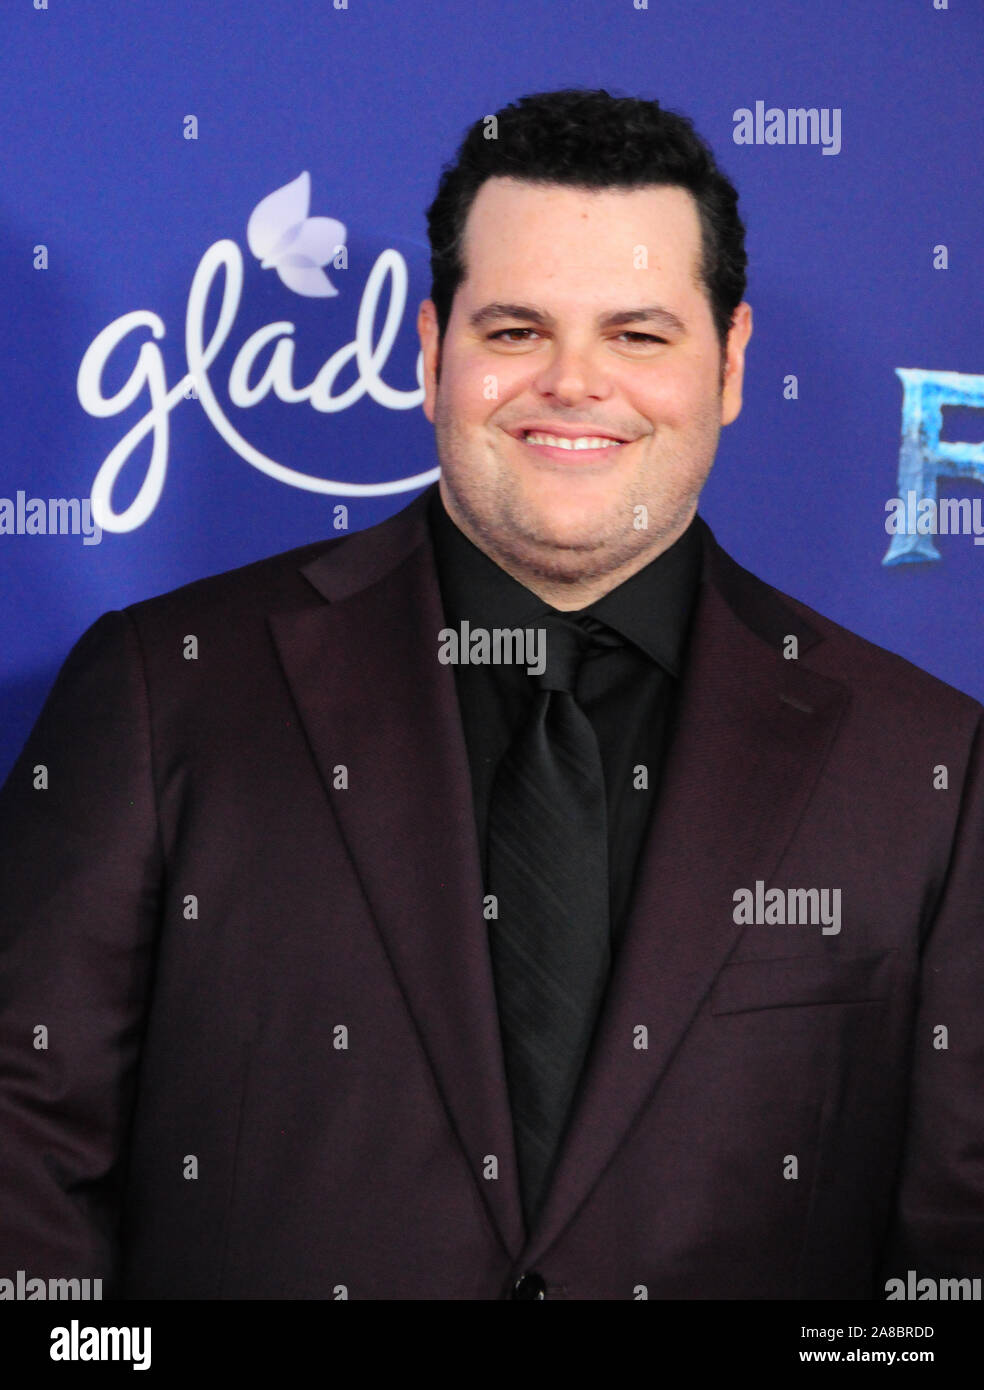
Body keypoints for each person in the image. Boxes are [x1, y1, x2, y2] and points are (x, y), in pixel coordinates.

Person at [1, 88, 981, 1302]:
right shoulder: (166, 689)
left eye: (638, 334)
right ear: (431, 352)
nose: (574, 384)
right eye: (517, 331)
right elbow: (23, 1150)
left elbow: (954, 1249)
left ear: (730, 365)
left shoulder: (924, 768)